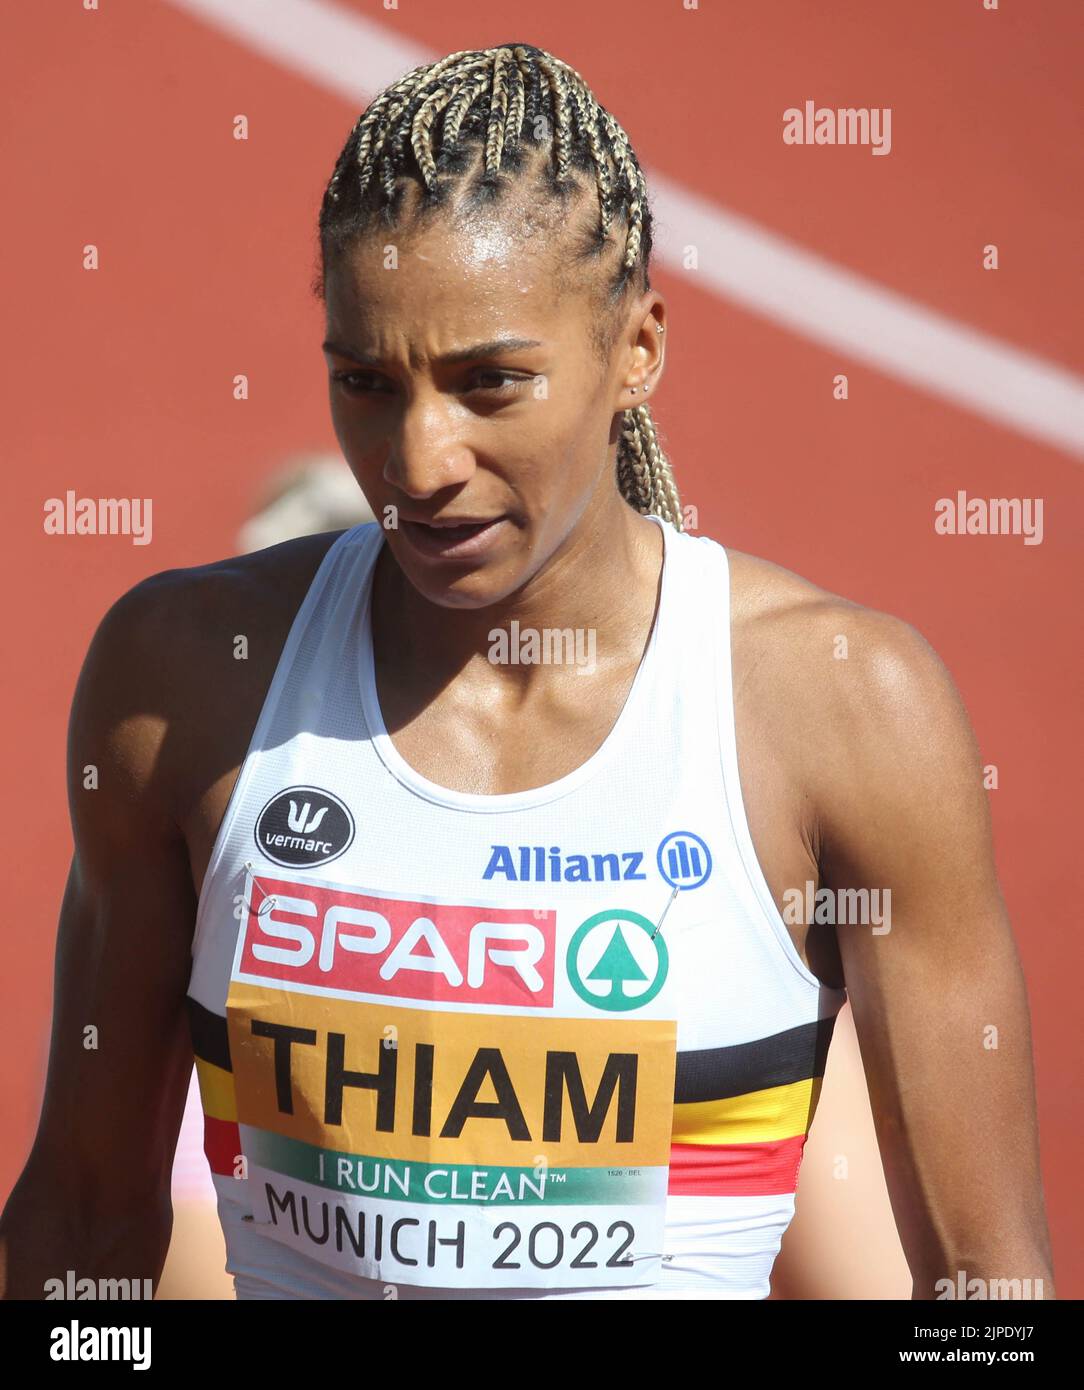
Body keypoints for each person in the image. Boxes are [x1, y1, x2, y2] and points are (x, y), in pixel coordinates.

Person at [0, 42, 1054, 1302]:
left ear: (638, 350)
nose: (419, 457)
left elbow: (986, 1292)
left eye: (489, 382)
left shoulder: (841, 711)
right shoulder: (183, 685)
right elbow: (81, 1232)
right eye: (366, 383)